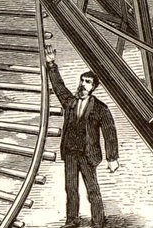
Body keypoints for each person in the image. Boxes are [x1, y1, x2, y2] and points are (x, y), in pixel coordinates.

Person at [45, 48, 119, 228]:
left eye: (87, 82)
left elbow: (110, 133)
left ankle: (98, 222)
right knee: (71, 189)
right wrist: (51, 65)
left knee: (92, 190)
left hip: (87, 155)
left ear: (93, 87)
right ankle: (72, 220)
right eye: (82, 81)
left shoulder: (100, 108)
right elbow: (59, 87)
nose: (83, 84)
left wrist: (112, 158)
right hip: (70, 152)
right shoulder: (70, 102)